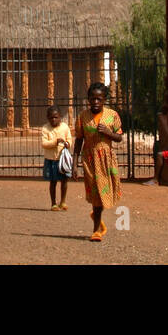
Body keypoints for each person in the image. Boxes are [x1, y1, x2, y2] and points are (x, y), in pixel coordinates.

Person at [71, 82, 122, 241]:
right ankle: (96, 230)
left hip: (106, 159)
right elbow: (79, 140)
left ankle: (97, 217)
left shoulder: (112, 115)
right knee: (96, 193)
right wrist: (74, 163)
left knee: (103, 192)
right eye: (92, 99)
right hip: (90, 159)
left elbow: (119, 137)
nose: (95, 102)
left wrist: (108, 133)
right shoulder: (83, 117)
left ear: (104, 99)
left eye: (99, 99)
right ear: (88, 99)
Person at [40, 106, 72, 210]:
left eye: (56, 117)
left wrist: (67, 144)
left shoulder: (65, 127)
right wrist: (55, 142)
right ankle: (53, 203)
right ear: (48, 118)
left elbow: (69, 139)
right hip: (51, 159)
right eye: (51, 118)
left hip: (63, 159)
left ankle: (63, 201)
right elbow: (44, 144)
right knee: (53, 182)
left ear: (60, 117)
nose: (54, 120)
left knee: (64, 181)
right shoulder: (45, 128)